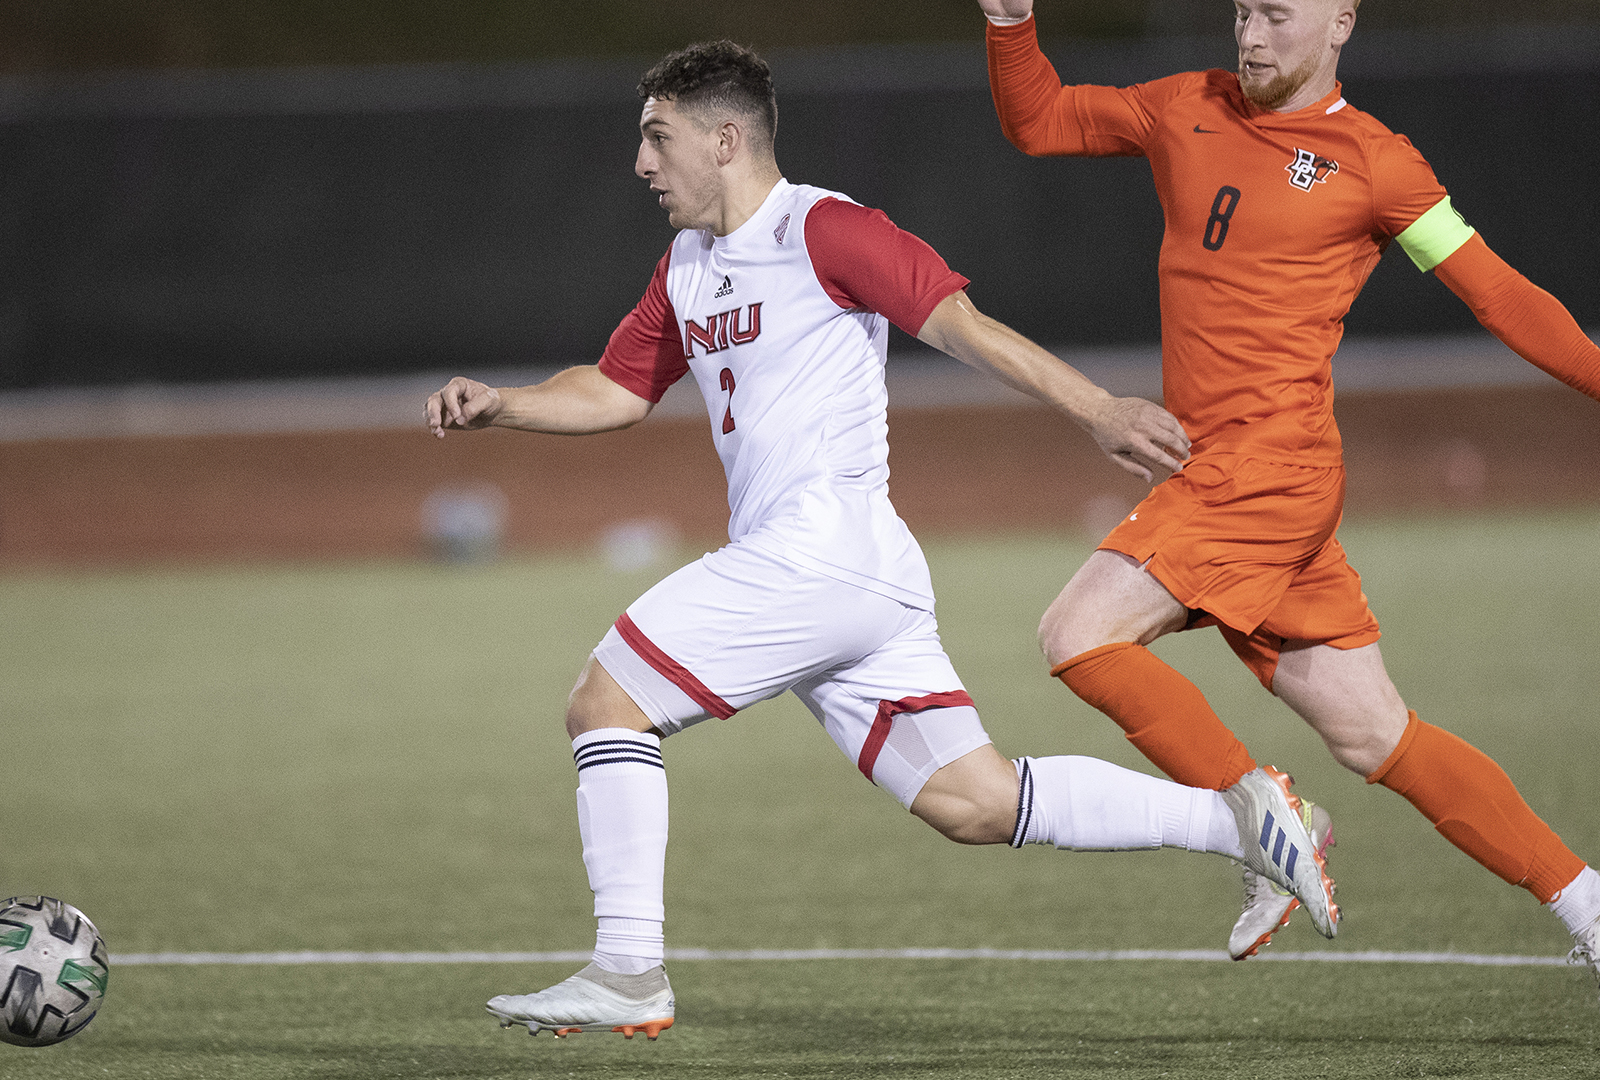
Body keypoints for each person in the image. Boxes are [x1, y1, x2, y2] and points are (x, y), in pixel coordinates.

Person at [425, 40, 1339, 1040]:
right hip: (856, 576)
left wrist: (1097, 411)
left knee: (606, 701)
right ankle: (1247, 820)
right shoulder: (687, 266)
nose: (642, 163)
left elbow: (967, 329)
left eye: (658, 138)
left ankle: (629, 970)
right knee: (973, 802)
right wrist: (502, 404)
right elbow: (615, 388)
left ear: (725, 140)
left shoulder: (825, 229)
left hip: (822, 548)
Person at [973, 0, 1600, 980]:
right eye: (1240, 12)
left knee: (1076, 632)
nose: (1250, 34)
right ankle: (1588, 902)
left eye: (1275, 13)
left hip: (1264, 472)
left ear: (1341, 21)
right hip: (1226, 474)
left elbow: (1498, 293)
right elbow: (1041, 120)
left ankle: (1267, 816)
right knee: (1376, 733)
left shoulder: (1378, 164)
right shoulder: (1184, 103)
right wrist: (1012, 26)